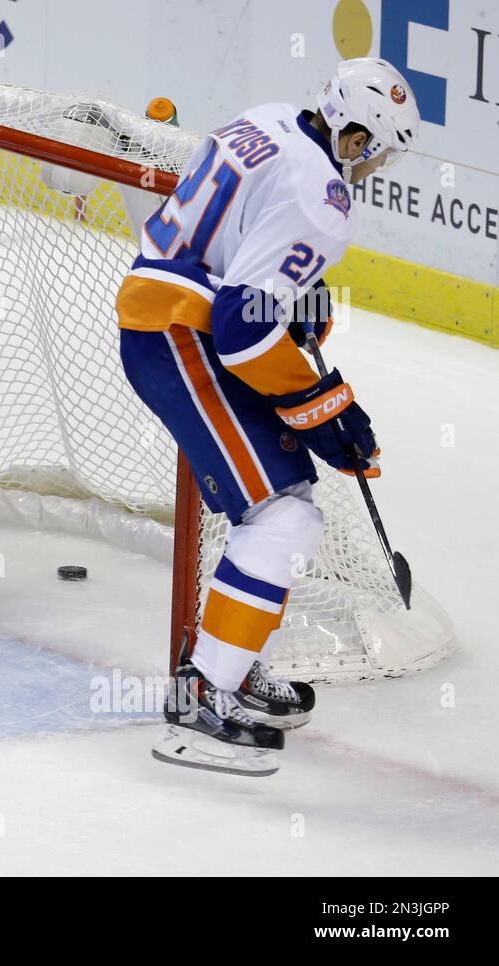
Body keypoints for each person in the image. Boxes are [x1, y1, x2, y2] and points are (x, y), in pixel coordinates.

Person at [114, 58, 420, 775]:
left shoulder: (272, 119)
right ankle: (201, 701)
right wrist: (328, 410)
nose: (375, 166)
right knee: (285, 517)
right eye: (375, 149)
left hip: (174, 317)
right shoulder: (325, 201)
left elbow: (246, 254)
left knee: (281, 506)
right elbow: (245, 331)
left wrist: (298, 304)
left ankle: (233, 659)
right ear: (350, 134)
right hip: (184, 340)